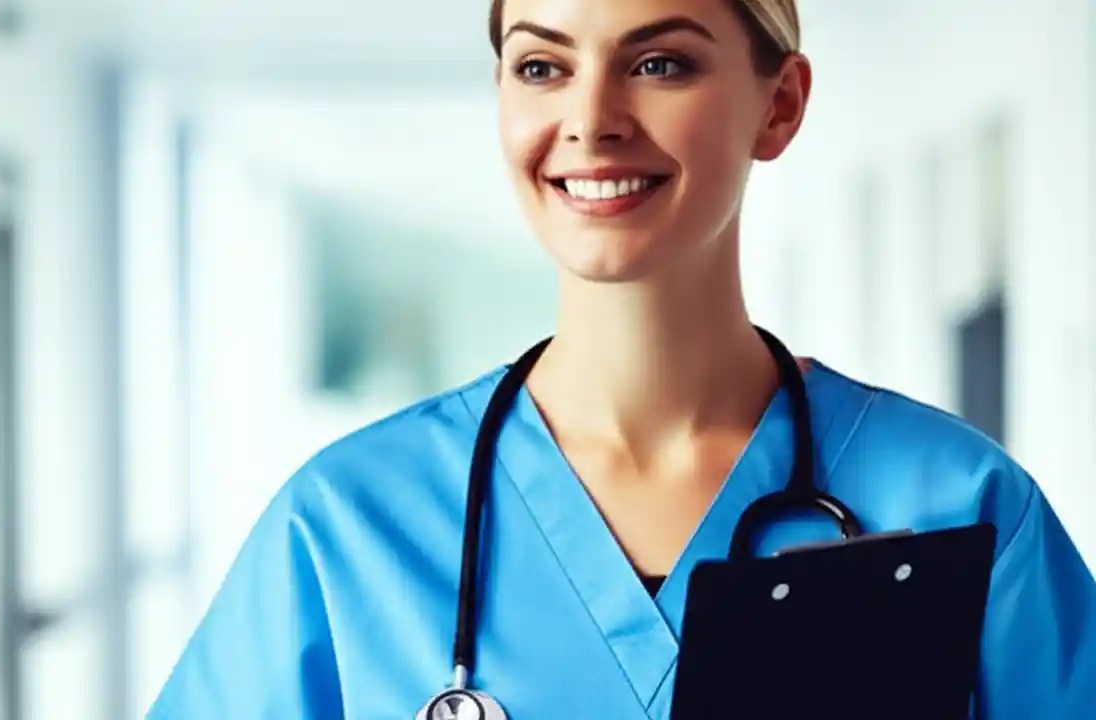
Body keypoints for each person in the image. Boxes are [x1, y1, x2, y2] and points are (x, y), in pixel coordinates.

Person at [148, 0, 1096, 717]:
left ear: (781, 105)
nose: (591, 117)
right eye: (540, 67)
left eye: (658, 62)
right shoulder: (349, 523)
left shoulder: (957, 506)